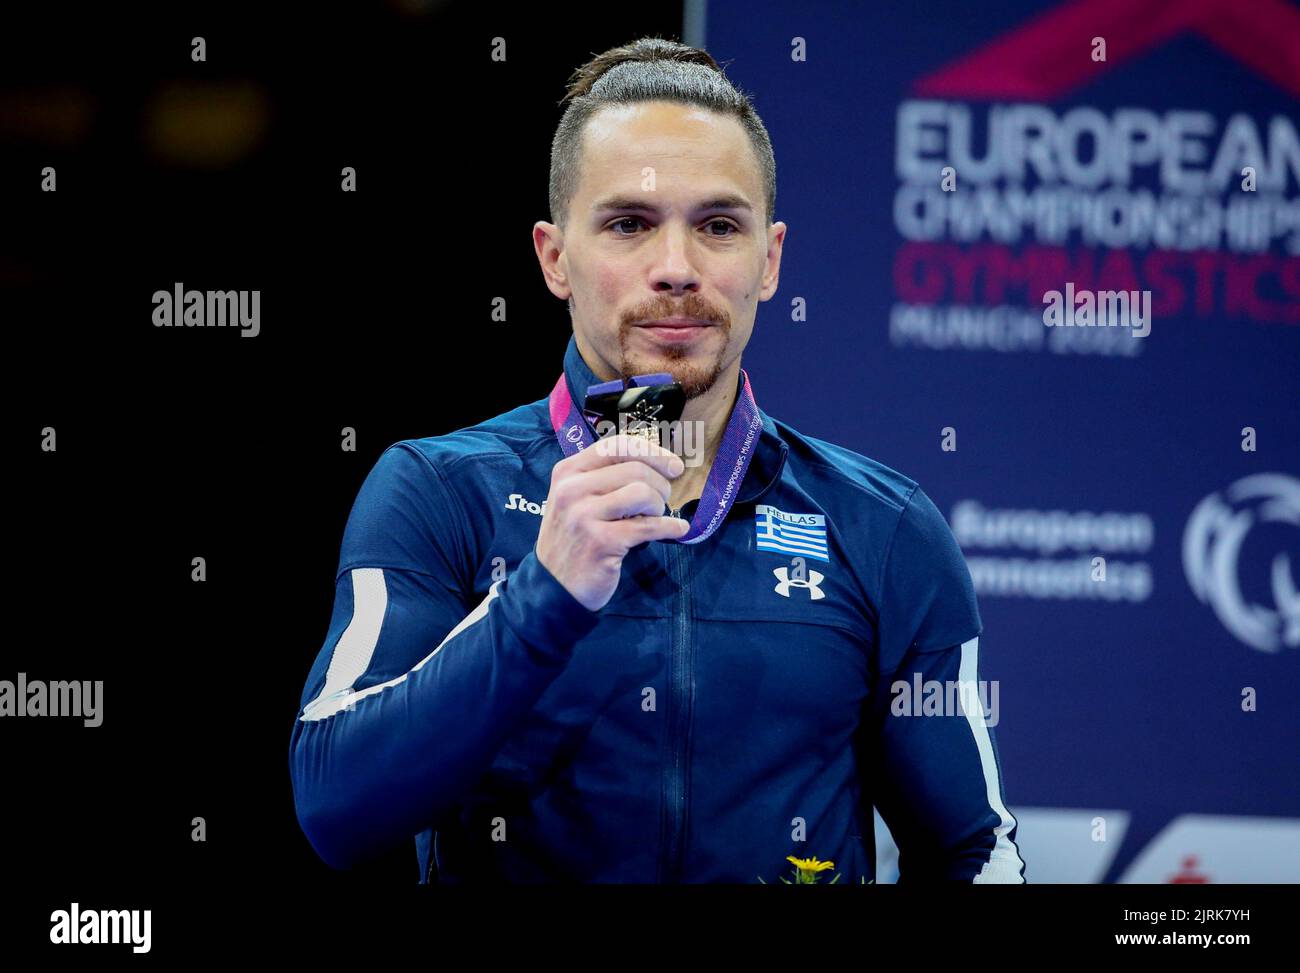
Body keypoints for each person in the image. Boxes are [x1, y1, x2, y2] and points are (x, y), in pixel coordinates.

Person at [288, 36, 1026, 884]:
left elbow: (974, 850)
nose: (676, 269)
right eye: (630, 224)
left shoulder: (883, 526)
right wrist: (541, 597)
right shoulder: (439, 492)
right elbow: (334, 807)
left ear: (770, 259)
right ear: (555, 257)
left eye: (718, 226)